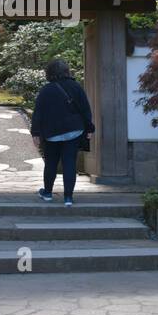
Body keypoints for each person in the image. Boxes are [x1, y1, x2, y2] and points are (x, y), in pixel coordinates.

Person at [30, 58, 94, 207]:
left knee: (51, 163)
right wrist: (89, 128)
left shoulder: (46, 90)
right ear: (66, 71)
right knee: (69, 162)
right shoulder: (76, 87)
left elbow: (38, 112)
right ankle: (68, 197)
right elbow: (85, 109)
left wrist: (36, 133)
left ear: (49, 73)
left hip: (52, 132)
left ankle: (47, 193)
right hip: (74, 130)